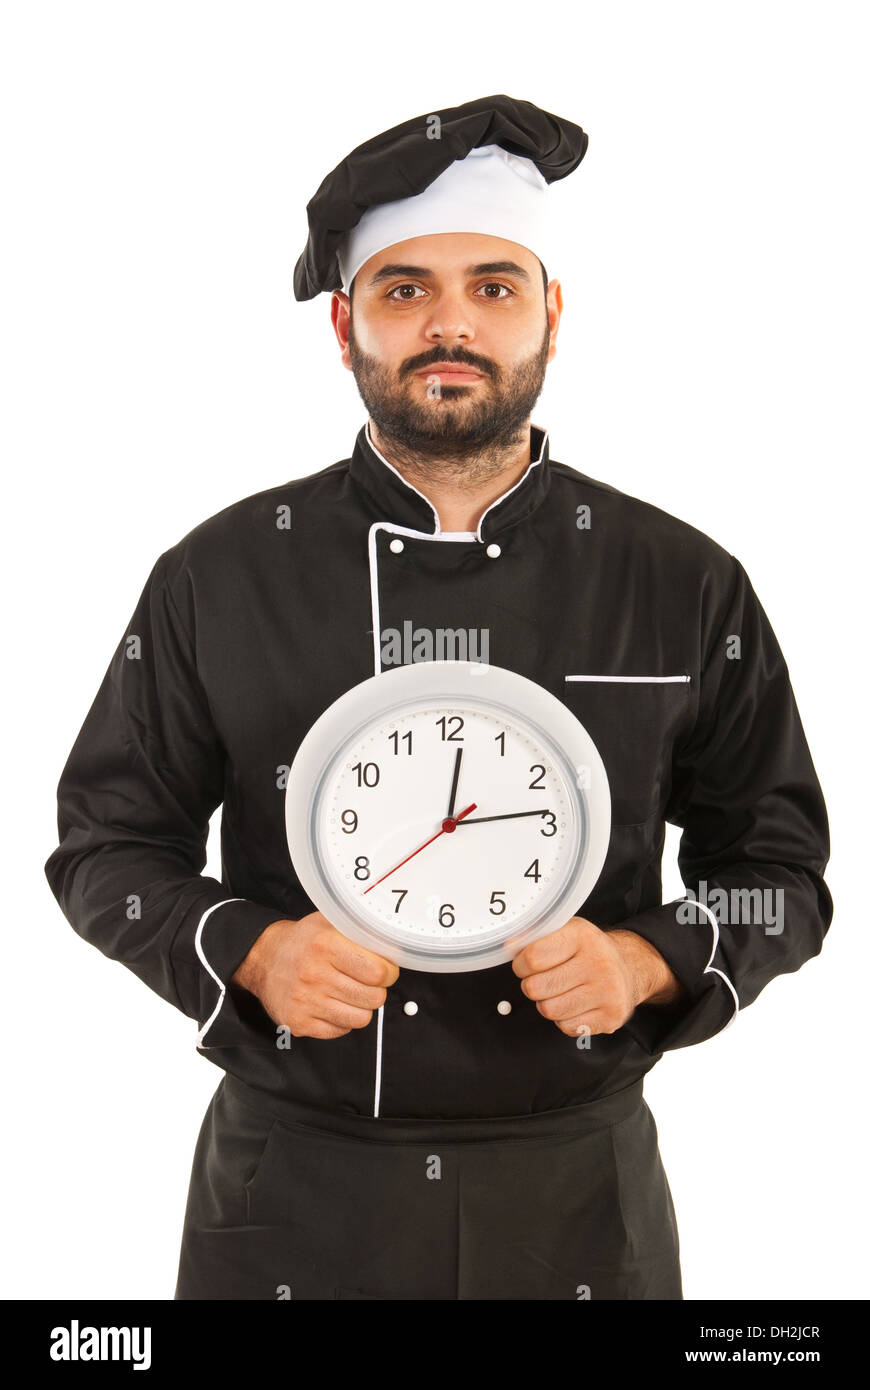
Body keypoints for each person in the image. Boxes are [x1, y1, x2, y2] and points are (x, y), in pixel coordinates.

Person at [44, 95, 833, 1301]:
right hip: (292, 1194)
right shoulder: (221, 573)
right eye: (404, 289)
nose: (450, 323)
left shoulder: (682, 581)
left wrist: (648, 957)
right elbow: (104, 846)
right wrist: (249, 949)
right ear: (345, 324)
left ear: (552, 316)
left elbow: (781, 872)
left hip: (577, 1196)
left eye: (495, 286)